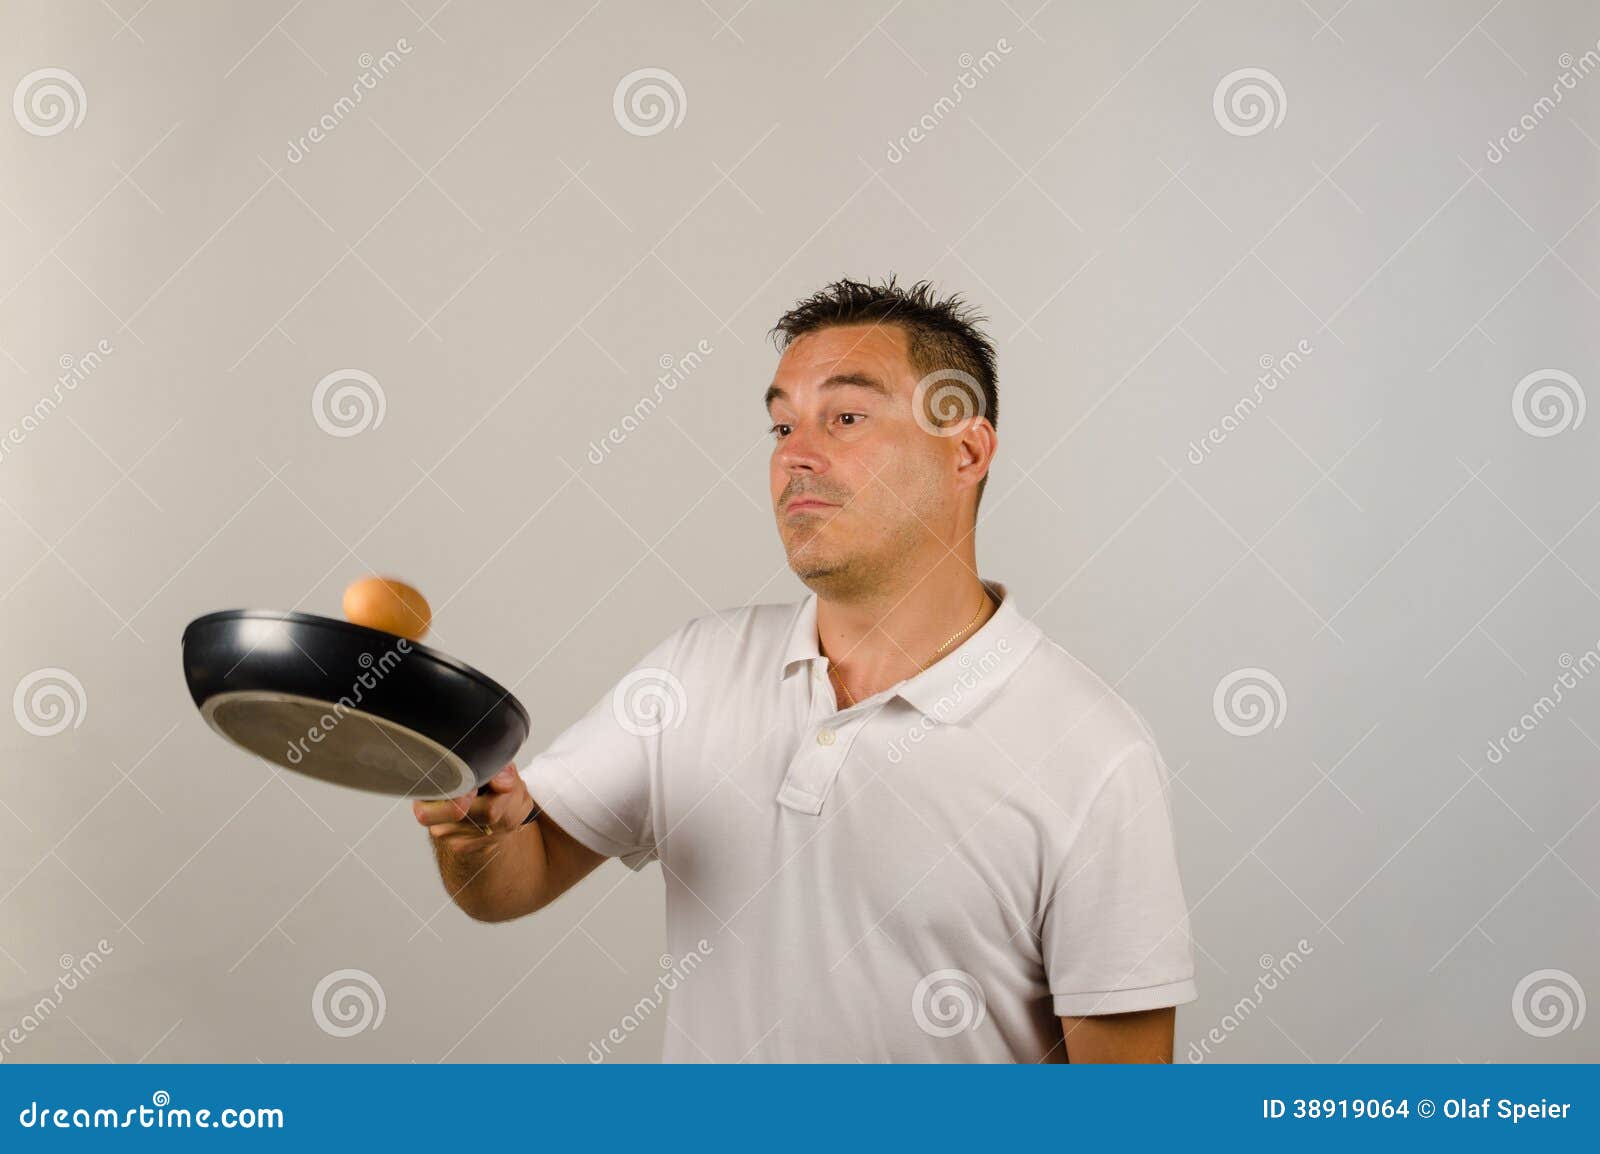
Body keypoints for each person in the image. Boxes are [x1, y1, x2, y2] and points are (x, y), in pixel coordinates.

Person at [414, 276, 1197, 1062]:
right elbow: (520, 873)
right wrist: (476, 836)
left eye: (846, 417)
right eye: (781, 424)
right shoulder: (696, 668)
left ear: (965, 451)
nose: (795, 454)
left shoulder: (1093, 754)